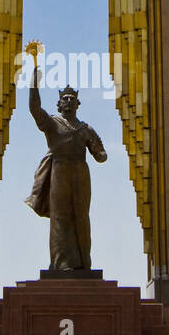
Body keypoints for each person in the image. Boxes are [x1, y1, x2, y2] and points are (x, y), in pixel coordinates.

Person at [24, 67, 107, 270]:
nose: (68, 101)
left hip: (80, 172)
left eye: (72, 98)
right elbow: (35, 109)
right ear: (59, 103)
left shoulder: (85, 129)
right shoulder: (53, 123)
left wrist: (100, 152)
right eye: (65, 98)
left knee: (81, 216)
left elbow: (101, 155)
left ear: (77, 104)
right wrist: (34, 84)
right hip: (59, 171)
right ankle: (61, 264)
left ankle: (83, 262)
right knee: (60, 217)